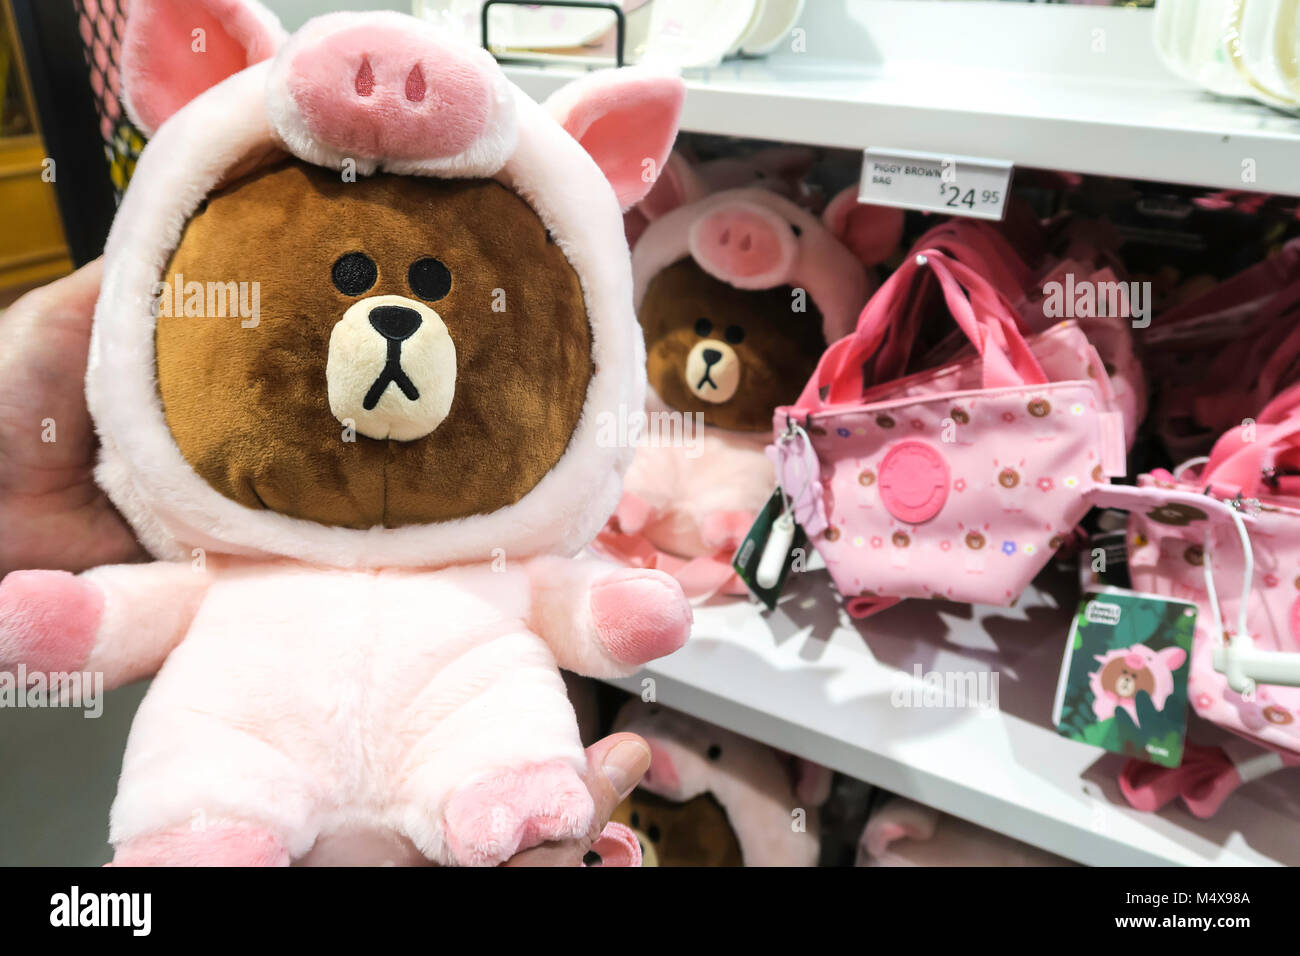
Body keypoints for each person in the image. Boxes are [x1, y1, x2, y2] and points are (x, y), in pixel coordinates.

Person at [0, 261, 650, 866]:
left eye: (429, 283)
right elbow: (138, 609)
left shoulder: (501, 565)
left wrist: (611, 611)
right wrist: (80, 620)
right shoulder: (226, 568)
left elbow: (572, 602)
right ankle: (212, 828)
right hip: (251, 734)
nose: (395, 316)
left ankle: (497, 787)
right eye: (351, 279)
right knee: (209, 761)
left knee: (499, 733)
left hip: (461, 719)